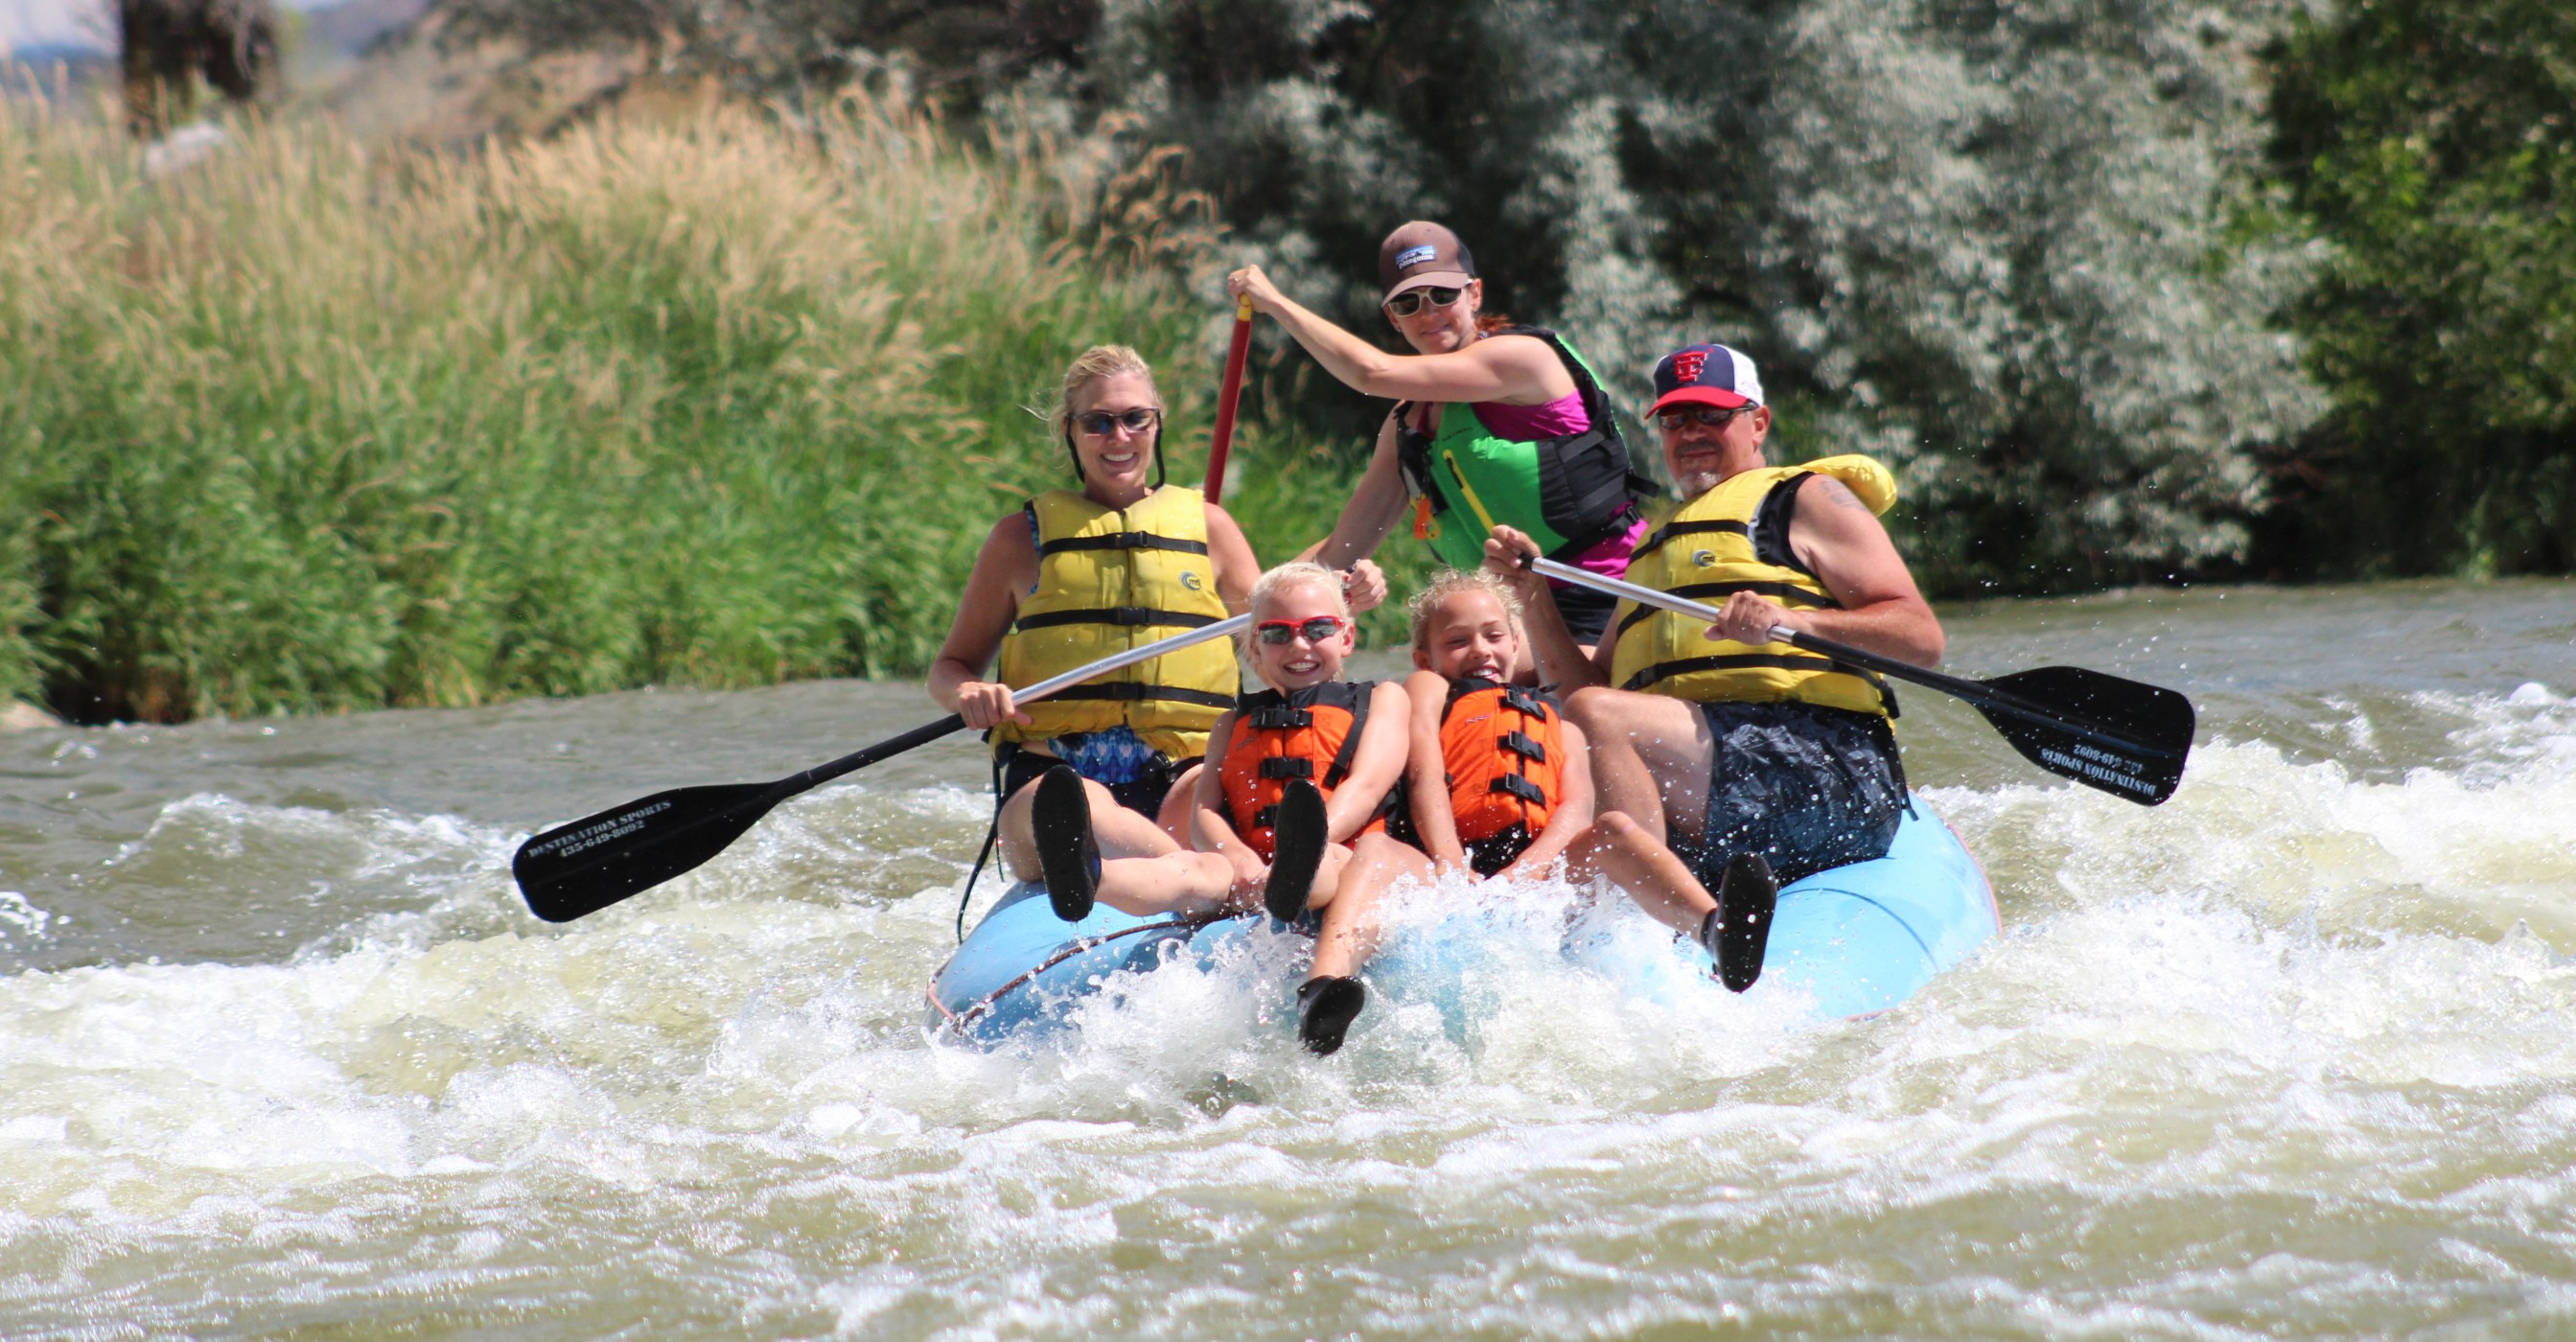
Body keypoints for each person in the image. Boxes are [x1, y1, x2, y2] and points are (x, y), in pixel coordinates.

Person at [1485, 342, 1945, 991]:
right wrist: (1531, 597)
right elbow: (1587, 688)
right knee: (1588, 776)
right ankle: (1619, 945)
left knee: (1597, 715)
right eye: (1674, 422)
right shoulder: (1654, 548)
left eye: (1710, 415)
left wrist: (1796, 625)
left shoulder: (1804, 499)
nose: (1690, 433)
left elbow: (1919, 635)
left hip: (1822, 775)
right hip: (1717, 793)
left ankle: (1646, 937)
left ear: (1757, 422)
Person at [930, 345, 1378, 922]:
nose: (1119, 436)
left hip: (1184, 774)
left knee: (1212, 801)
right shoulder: (1018, 540)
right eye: (1098, 421)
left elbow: (1275, 635)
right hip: (1054, 776)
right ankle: (1212, 888)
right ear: (1070, 430)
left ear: (1156, 423)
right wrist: (967, 693)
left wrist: (1341, 595)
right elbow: (950, 667)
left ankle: (1197, 883)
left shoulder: (1210, 528)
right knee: (1077, 805)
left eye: (1135, 418)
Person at [1225, 221, 1653, 655]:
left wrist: (1275, 303)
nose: (1429, 313)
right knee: (1432, 689)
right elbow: (1340, 551)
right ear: (1393, 318)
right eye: (1409, 303)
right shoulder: (1406, 427)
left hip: (1611, 592)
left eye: (1443, 295)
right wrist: (1251, 617)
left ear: (1475, 294)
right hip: (1511, 620)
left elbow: (1371, 373)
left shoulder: (1521, 360)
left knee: (1438, 689)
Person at [1392, 569, 1597, 881]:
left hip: (1532, 871)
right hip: (1446, 863)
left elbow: (1577, 810)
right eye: (1458, 641)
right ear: (1424, 660)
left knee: (1618, 832)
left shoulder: (1563, 728)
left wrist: (1525, 871)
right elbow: (1424, 774)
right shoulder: (1429, 689)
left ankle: (1698, 925)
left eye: (1494, 636)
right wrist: (1451, 861)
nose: (1480, 649)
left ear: (1515, 645)